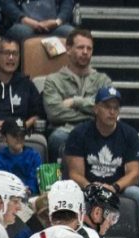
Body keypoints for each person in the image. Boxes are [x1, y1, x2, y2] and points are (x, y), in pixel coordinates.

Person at [64, 86, 139, 226]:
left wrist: (114, 188)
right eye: (107, 107)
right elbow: (75, 174)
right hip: (88, 187)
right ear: (96, 109)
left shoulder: (130, 134)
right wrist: (91, 188)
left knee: (137, 194)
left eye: (116, 107)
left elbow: (134, 173)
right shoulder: (79, 134)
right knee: (70, 191)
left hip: (117, 189)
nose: (112, 112)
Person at [43, 29, 112, 160]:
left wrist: (76, 102)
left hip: (97, 129)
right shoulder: (53, 80)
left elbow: (108, 109)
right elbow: (55, 113)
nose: (85, 52)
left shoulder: (103, 80)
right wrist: (91, 113)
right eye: (80, 47)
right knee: (57, 138)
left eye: (89, 48)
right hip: (66, 130)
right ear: (68, 49)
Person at [0, 119, 42, 195]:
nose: (19, 138)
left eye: (22, 135)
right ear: (4, 137)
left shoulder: (34, 156)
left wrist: (30, 189)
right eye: (14, 135)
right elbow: (0, 181)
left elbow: (35, 178)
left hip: (31, 197)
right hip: (8, 198)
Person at [1, 0, 74, 42]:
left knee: (71, 33)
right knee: (22, 32)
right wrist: (24, 19)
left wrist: (58, 21)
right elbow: (7, 3)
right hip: (25, 23)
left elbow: (67, 4)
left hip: (54, 25)